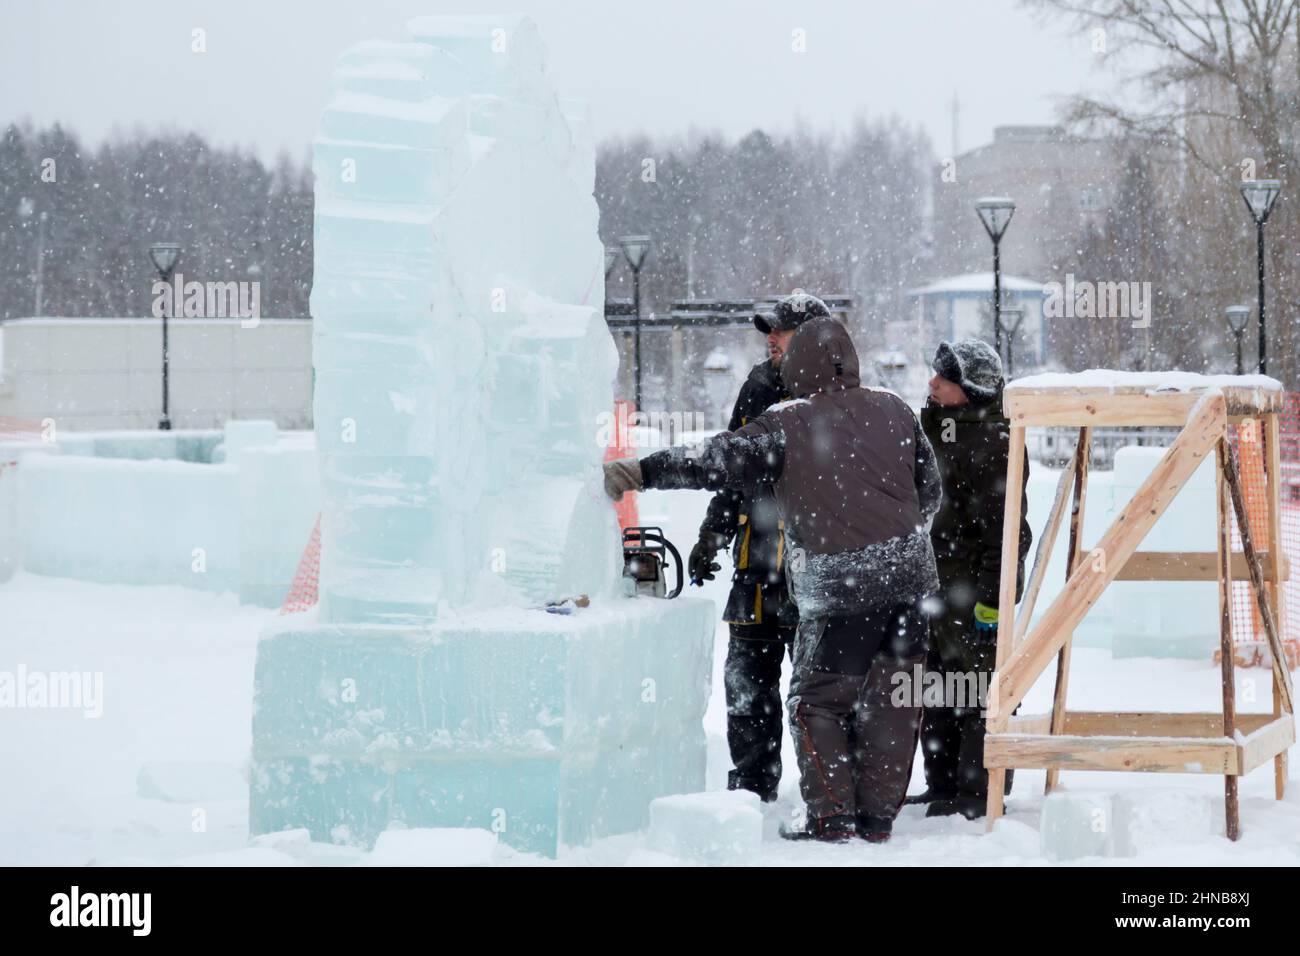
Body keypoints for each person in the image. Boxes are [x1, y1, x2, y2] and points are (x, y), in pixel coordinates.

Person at [604, 308, 942, 843]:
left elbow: (715, 459)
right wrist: (895, 541)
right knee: (892, 701)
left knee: (818, 701)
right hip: (913, 583)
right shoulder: (896, 409)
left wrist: (640, 471)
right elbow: (930, 490)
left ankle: (831, 817)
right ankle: (877, 819)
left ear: (801, 364)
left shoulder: (788, 422)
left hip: (841, 587)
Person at [690, 297, 811, 804]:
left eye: (781, 332)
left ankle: (828, 795)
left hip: (817, 576)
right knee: (746, 690)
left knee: (817, 700)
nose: (771, 339)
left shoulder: (840, 395)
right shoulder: (758, 387)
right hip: (757, 568)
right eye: (770, 332)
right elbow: (733, 469)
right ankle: (750, 790)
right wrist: (711, 535)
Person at [907, 339, 1032, 820]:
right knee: (936, 689)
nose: (932, 384)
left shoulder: (992, 443)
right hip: (936, 587)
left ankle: (979, 791)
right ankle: (941, 787)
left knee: (980, 691)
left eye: (944, 379)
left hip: (973, 592)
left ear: (971, 391)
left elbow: (1006, 532)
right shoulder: (938, 431)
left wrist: (993, 601)